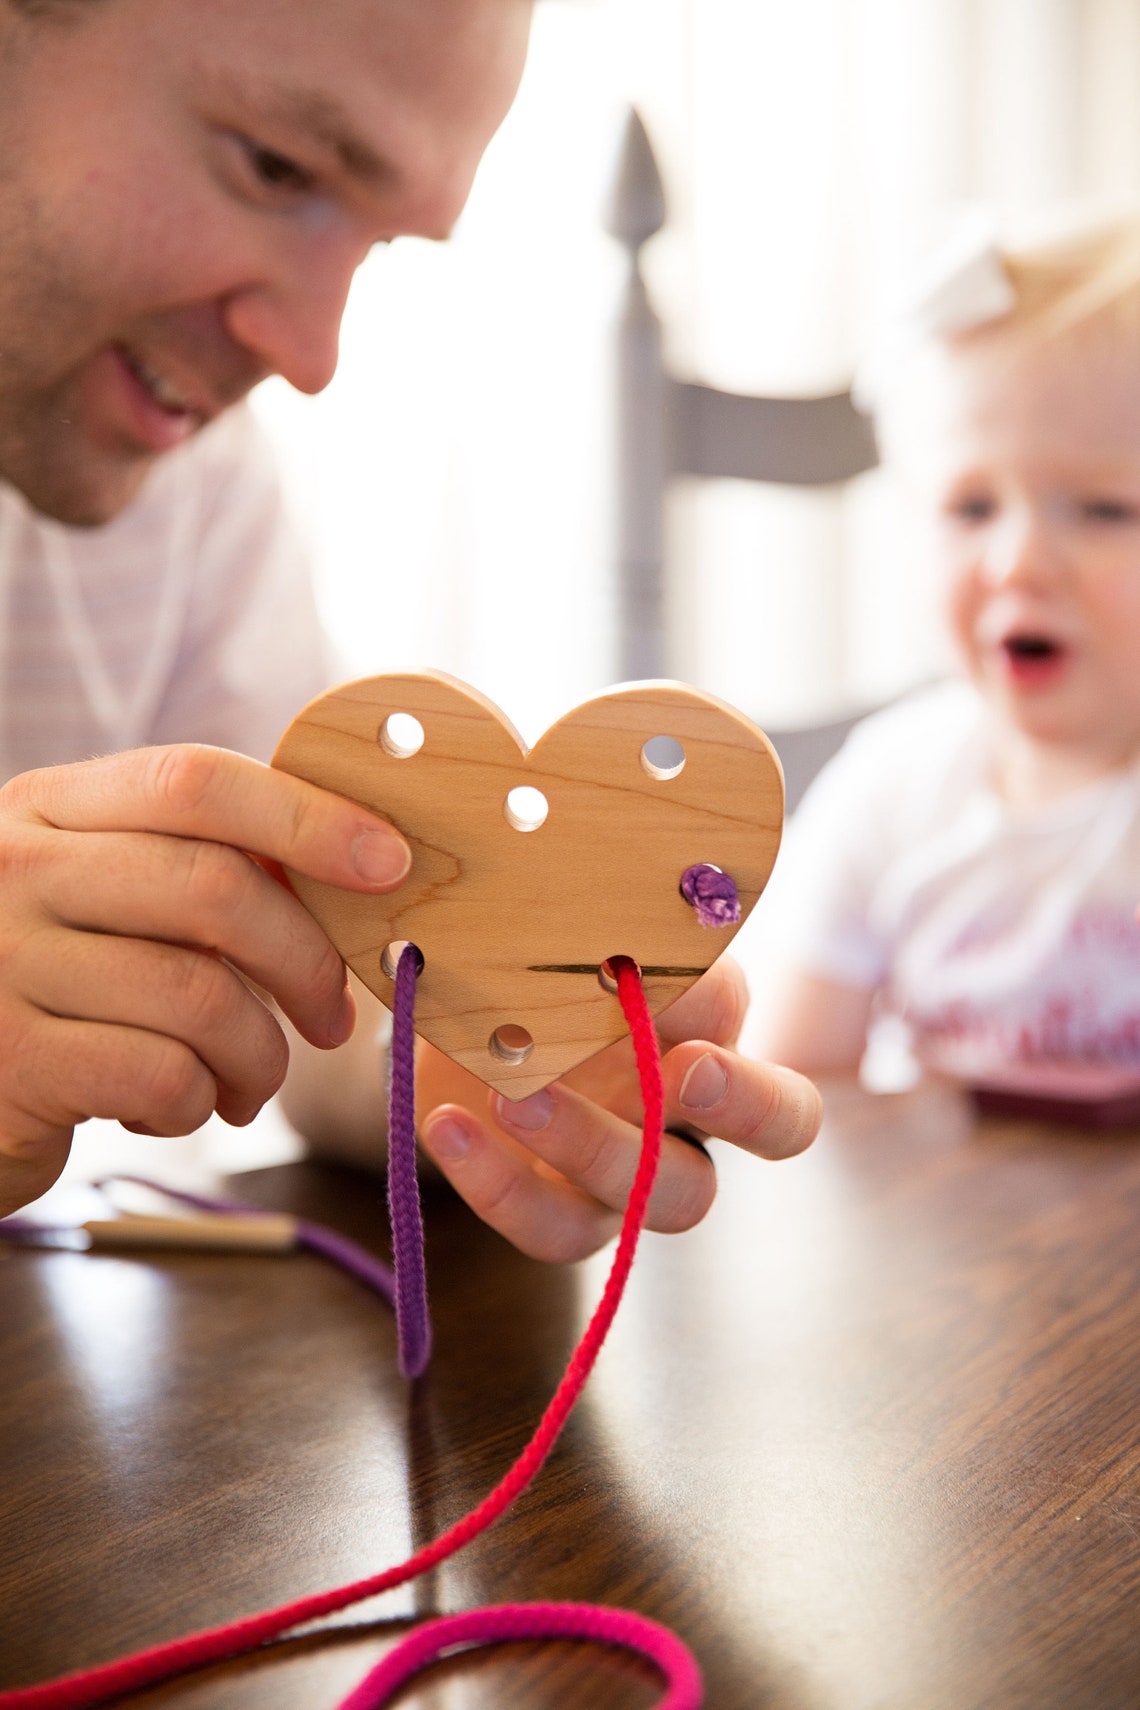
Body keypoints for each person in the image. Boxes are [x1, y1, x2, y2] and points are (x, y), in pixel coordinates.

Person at [0, 0, 821, 1239]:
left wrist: (485, 1068)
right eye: (274, 165)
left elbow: (314, 963)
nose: (313, 354)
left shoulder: (184, 478)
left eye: (379, 244)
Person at [748, 215, 1140, 1095]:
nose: (1018, 562)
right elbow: (787, 1094)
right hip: (938, 1224)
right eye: (970, 508)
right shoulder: (893, 791)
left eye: (1105, 511)